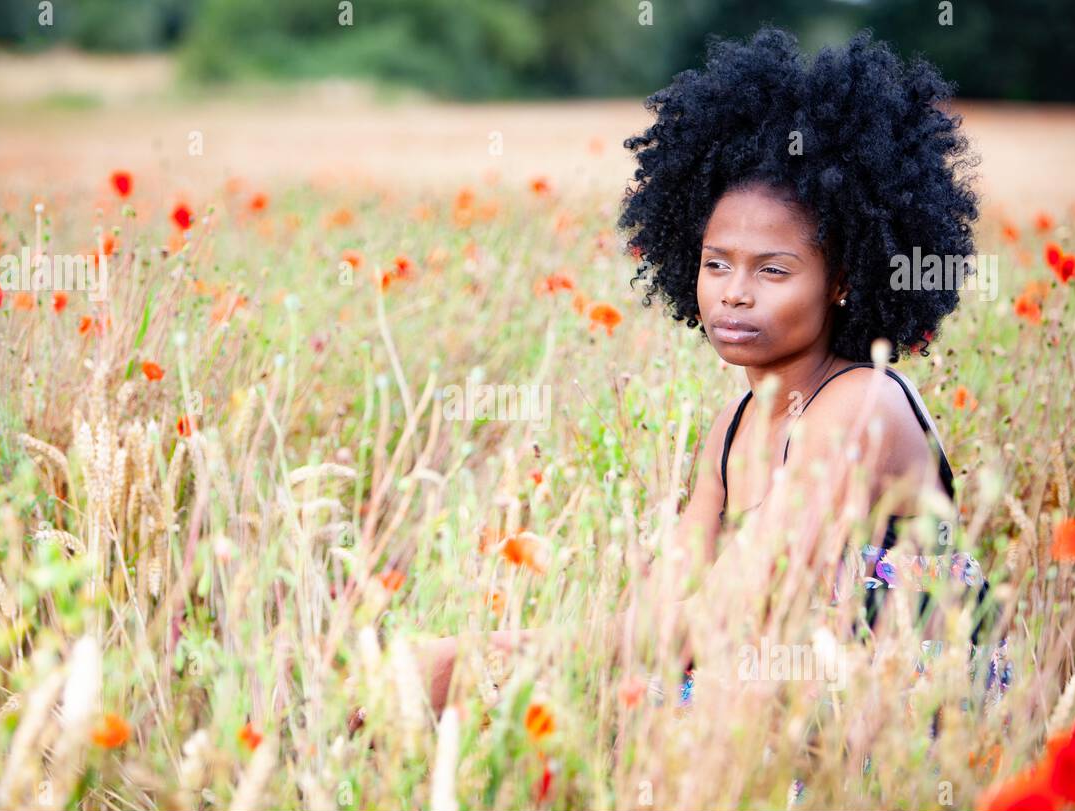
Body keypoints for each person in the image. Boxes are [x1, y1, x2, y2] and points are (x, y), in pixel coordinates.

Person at [416, 26, 986, 717]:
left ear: (842, 280)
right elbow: (668, 604)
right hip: (781, 685)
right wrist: (503, 664)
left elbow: (741, 604)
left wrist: (483, 661)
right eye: (716, 263)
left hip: (903, 719)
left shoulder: (861, 403)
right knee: (588, 710)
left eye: (772, 270)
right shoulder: (733, 426)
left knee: (627, 718)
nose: (735, 292)